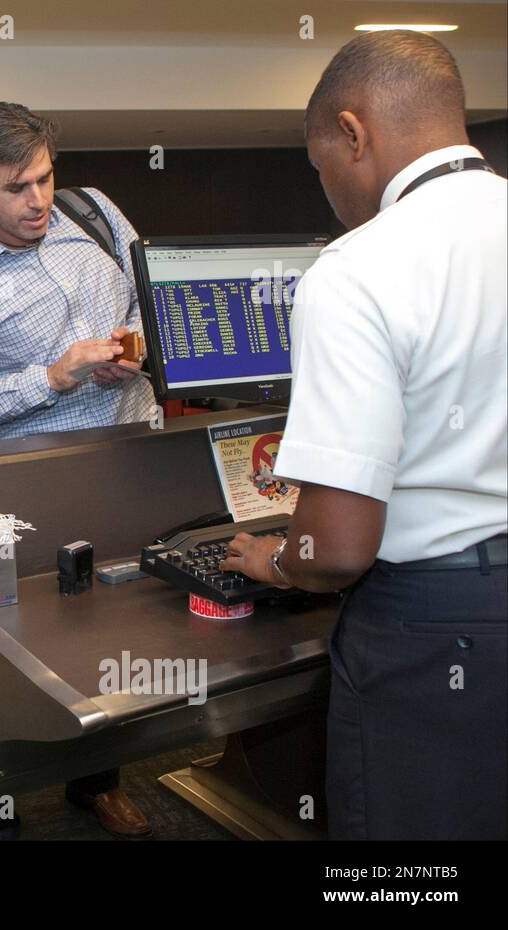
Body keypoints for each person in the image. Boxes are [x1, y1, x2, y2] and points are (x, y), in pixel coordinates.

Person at [222, 30, 506, 840]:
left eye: (322, 170)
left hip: (435, 622)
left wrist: (275, 559)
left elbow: (340, 547)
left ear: (354, 133)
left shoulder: (355, 270)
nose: (331, 195)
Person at [0, 102, 153, 837]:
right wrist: (53, 377)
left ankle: (97, 782)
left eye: (46, 179)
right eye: (18, 188)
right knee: (22, 644)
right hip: (33, 476)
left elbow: (152, 298)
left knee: (118, 627)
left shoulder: (96, 214)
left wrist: (136, 350)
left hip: (127, 453)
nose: (40, 201)